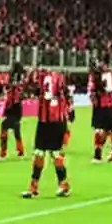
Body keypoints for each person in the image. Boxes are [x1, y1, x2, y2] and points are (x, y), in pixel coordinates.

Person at [22, 70, 71, 199]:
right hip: (44, 122)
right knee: (39, 153)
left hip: (55, 123)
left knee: (56, 155)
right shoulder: (46, 85)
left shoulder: (59, 91)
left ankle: (63, 184)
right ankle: (34, 187)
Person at [88, 62, 112, 163]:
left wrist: (94, 97)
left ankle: (99, 155)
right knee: (110, 130)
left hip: (102, 106)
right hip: (110, 105)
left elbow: (91, 91)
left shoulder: (95, 77)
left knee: (101, 130)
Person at [0, 63, 27, 161]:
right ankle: (20, 151)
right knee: (16, 130)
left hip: (13, 108)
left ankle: (3, 153)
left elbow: (14, 92)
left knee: (5, 127)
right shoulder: (19, 81)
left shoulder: (15, 83)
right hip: (16, 109)